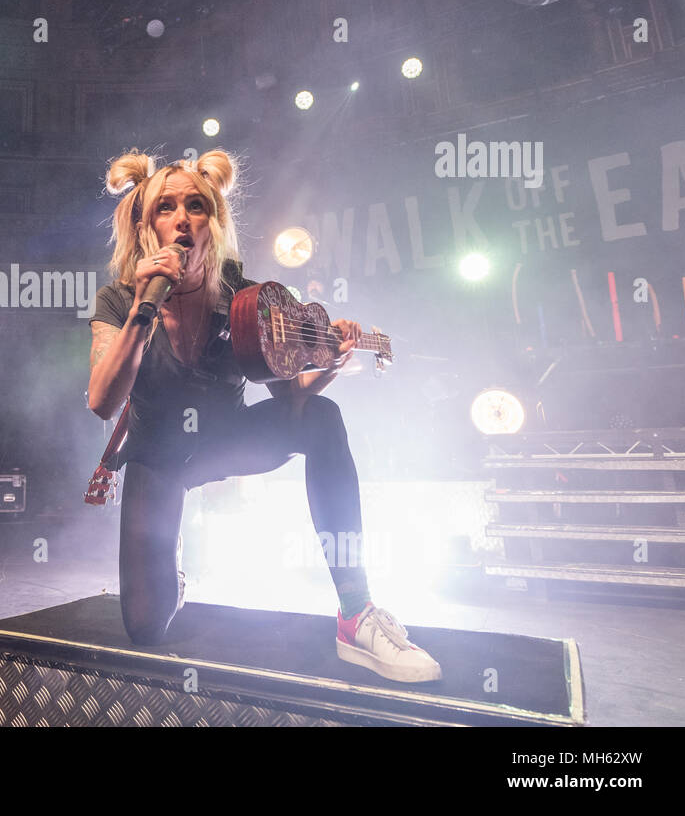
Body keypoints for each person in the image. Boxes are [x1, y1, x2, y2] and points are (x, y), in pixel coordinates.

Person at [86, 149, 440, 683]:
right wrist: (144, 307)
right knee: (146, 628)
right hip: (158, 456)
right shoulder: (118, 299)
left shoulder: (244, 300)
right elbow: (102, 401)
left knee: (321, 417)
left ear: (213, 221)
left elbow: (290, 397)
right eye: (166, 208)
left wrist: (331, 362)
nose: (182, 218)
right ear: (145, 224)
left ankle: (356, 613)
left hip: (226, 439)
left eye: (196, 206)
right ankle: (169, 577)